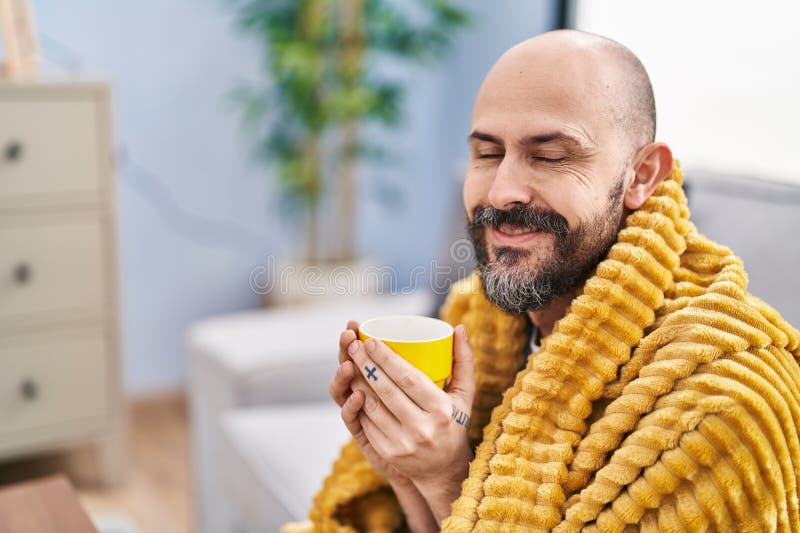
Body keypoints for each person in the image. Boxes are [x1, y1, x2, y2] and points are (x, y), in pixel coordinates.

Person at [294, 29, 800, 532]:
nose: (502, 190)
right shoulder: (476, 316)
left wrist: (449, 477)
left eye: (550, 156)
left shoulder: (724, 408)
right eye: (487, 154)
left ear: (642, 176)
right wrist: (408, 472)